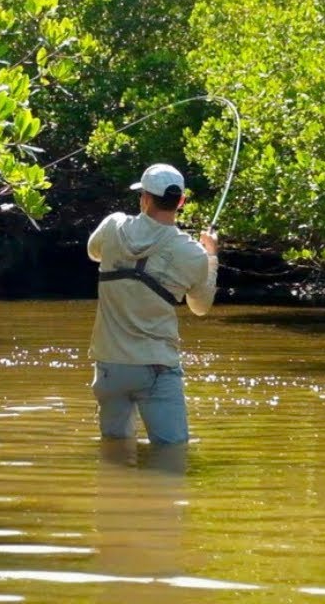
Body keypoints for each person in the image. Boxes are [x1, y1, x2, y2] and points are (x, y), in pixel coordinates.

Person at [87, 163, 219, 446]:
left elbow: (93, 252)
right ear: (181, 202)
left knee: (115, 454)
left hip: (110, 366)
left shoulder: (113, 225)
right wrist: (211, 256)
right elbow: (200, 307)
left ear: (144, 198)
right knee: (172, 452)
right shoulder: (192, 253)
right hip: (157, 367)